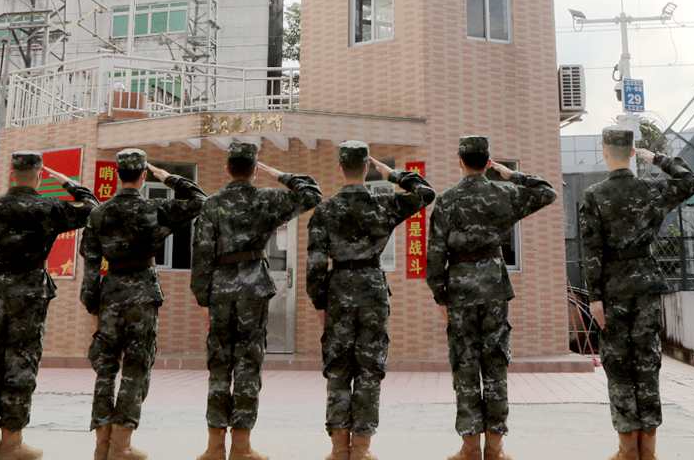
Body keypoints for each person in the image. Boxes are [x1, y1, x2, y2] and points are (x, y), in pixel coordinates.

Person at [426, 136, 557, 460]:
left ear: (460, 160)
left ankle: (470, 447)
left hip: (459, 291)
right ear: (487, 162)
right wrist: (511, 174)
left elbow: (435, 255)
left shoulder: (447, 201)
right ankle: (496, 447)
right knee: (495, 366)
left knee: (465, 367)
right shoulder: (504, 193)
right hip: (494, 290)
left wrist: (441, 297)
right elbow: (547, 191)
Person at [190, 141, 322, 460]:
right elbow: (312, 194)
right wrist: (280, 174)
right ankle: (242, 446)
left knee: (220, 366)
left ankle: (213, 446)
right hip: (253, 288)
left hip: (220, 289)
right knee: (248, 365)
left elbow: (201, 255)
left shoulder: (212, 204)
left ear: (227, 168)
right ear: (253, 168)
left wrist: (203, 299)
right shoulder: (266, 199)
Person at [306, 143, 437, 460]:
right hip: (372, 291)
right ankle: (362, 448)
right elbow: (426, 193)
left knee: (338, 370)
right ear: (366, 167)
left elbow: (314, 266)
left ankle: (339, 448)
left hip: (337, 290)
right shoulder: (384, 204)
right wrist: (392, 173)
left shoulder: (325, 210)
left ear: (340, 167)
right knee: (369, 369)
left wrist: (320, 304)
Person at [0, 151, 99, 460]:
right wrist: (66, 181)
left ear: (12, 172)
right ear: (39, 174)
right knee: (21, 362)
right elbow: (92, 207)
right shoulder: (47, 208)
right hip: (29, 289)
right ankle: (12, 442)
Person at [580, 128, 694, 460]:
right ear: (633, 152)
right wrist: (659, 159)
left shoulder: (594, 195)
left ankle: (626, 448)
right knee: (647, 363)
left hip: (613, 289)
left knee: (618, 365)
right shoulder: (650, 190)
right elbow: (691, 182)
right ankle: (649, 449)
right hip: (646, 284)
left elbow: (591, 251)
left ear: (605, 151)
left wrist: (595, 298)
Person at [80, 149, 207, 460]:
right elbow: (199, 200)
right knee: (136, 368)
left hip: (110, 294)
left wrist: (92, 303)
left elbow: (91, 265)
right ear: (143, 175)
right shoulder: (154, 209)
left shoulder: (99, 213)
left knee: (105, 370)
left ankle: (102, 444)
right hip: (142, 294)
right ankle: (121, 444)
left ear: (118, 173)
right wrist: (168, 175)